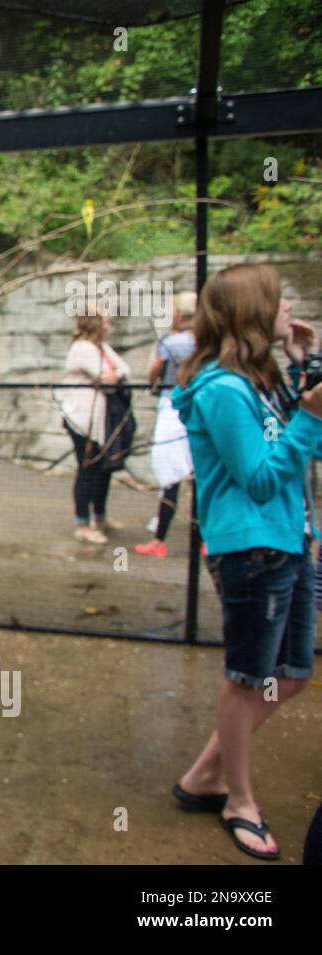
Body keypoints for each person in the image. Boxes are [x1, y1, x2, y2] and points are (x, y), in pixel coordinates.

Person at [170, 263, 320, 861]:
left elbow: (299, 444)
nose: (290, 309)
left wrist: (303, 366)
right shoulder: (222, 390)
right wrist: (309, 415)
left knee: (293, 675)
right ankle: (237, 799)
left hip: (288, 540)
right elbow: (259, 478)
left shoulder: (257, 380)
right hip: (252, 549)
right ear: (254, 311)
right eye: (281, 303)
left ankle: (205, 774)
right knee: (248, 677)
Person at [60, 307, 132, 544]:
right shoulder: (82, 348)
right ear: (95, 324)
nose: (109, 325)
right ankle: (83, 523)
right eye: (106, 321)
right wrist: (115, 375)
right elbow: (104, 378)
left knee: (104, 468)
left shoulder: (101, 346)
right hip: (83, 420)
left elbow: (123, 370)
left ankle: (99, 516)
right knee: (87, 468)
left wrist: (117, 374)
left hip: (101, 420)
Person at [136, 291, 198, 557]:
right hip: (199, 410)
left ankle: (159, 540)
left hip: (173, 406)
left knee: (170, 473)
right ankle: (204, 540)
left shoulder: (171, 342)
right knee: (198, 475)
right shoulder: (206, 342)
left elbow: (153, 372)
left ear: (181, 314)